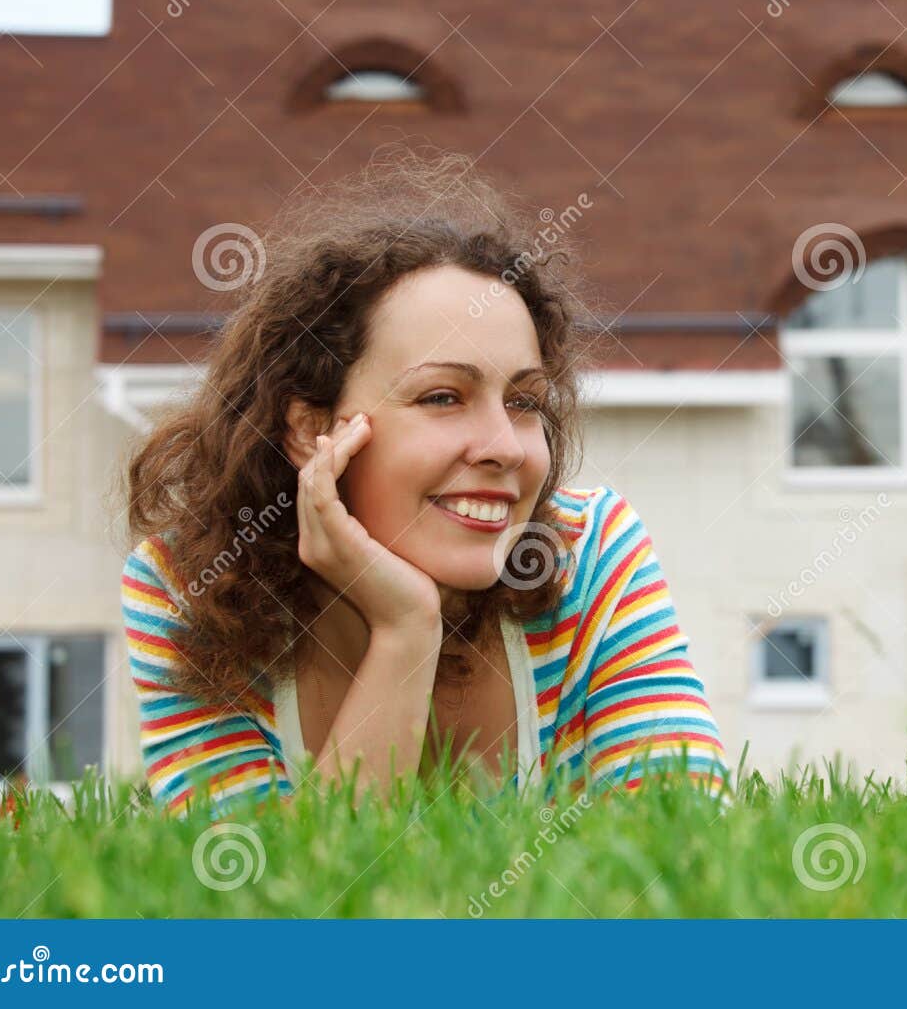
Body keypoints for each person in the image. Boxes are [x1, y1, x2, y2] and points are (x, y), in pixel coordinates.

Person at [120, 149, 730, 818]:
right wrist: (407, 631)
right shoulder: (187, 590)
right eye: (442, 396)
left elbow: (686, 834)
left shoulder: (592, 558)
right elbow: (271, 901)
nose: (504, 446)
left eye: (524, 401)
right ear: (309, 429)